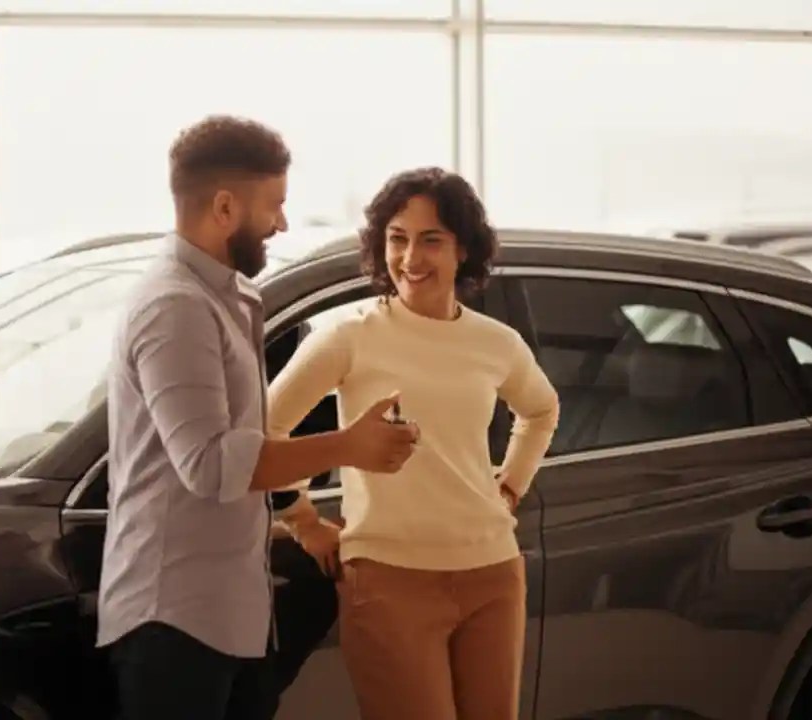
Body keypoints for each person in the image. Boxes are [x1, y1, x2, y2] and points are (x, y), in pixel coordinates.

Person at [96, 115, 421, 720]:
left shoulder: (230, 297)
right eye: (274, 205)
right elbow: (212, 465)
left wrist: (302, 519)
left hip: (231, 615)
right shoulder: (174, 306)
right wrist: (348, 446)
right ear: (225, 207)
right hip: (175, 621)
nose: (282, 223)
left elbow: (247, 441)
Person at [268, 167, 560, 720]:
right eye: (397, 239)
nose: (410, 258)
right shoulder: (350, 337)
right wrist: (303, 522)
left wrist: (510, 486)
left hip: (493, 574)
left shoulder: (496, 343)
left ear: (463, 250)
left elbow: (542, 410)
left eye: (431, 240)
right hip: (387, 580)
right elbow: (264, 429)